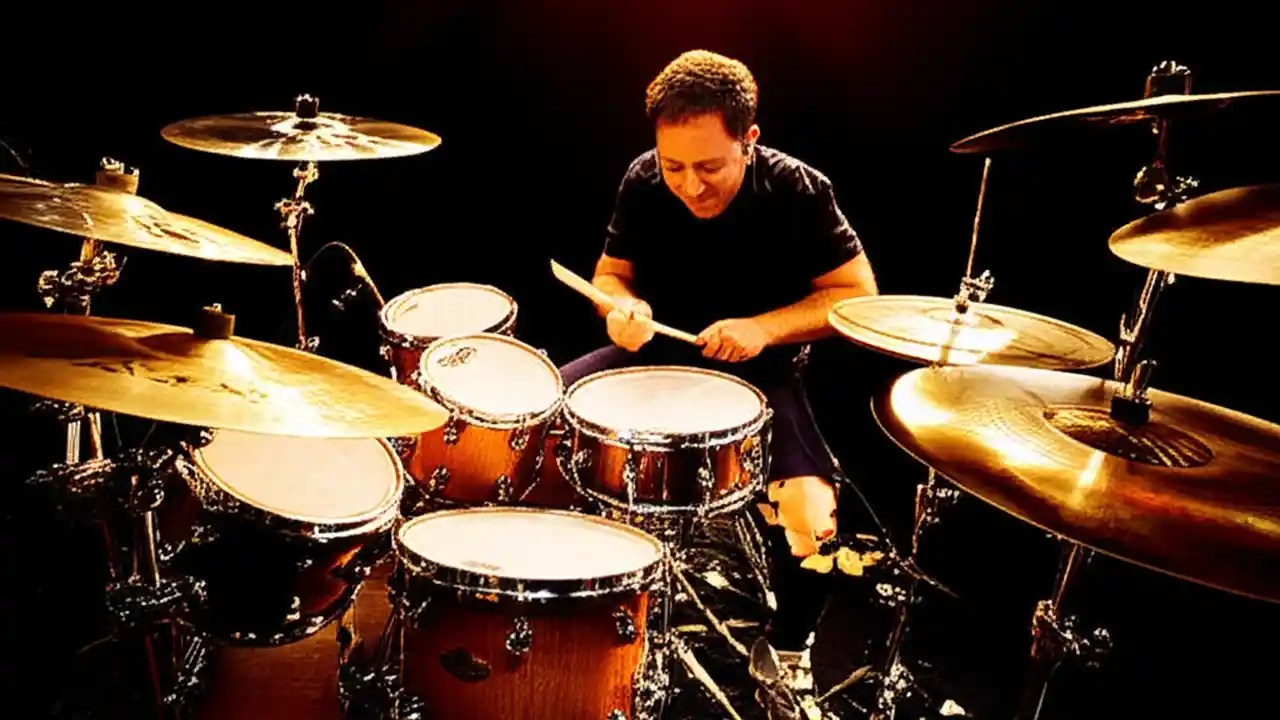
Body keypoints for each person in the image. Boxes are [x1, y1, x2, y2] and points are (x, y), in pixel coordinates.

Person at [558, 48, 878, 712]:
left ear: (749, 140)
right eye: (675, 166)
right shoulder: (644, 179)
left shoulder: (799, 189)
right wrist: (620, 310)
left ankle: (785, 649)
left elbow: (855, 295)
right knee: (536, 419)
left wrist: (764, 327)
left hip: (762, 378)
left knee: (813, 520)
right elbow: (609, 275)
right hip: (654, 358)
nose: (690, 185)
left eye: (709, 166)